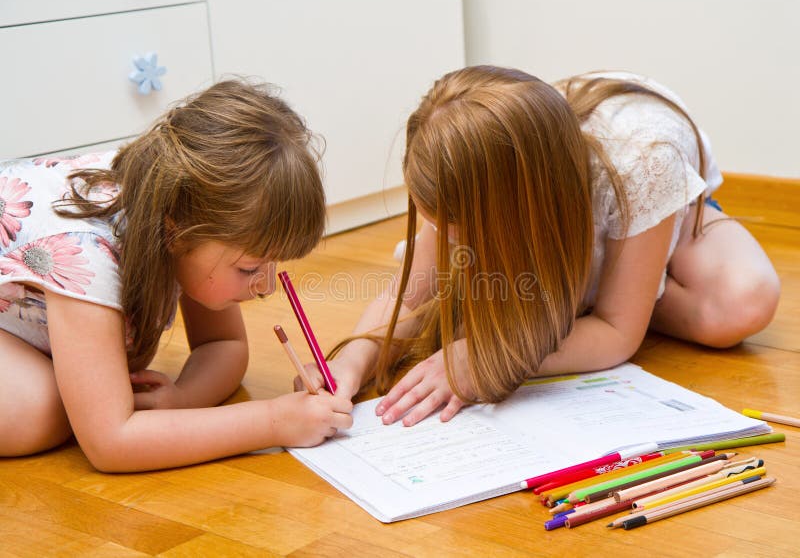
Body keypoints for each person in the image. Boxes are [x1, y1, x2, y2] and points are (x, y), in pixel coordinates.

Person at [309, 66, 780, 428]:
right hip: (550, 208)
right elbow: (412, 291)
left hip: (658, 200)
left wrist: (491, 358)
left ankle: (628, 280)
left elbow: (618, 332)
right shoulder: (462, 162)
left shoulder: (645, 161)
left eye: (460, 228)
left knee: (740, 303)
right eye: (439, 225)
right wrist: (353, 359)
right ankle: (616, 283)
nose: (448, 239)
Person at [0, 80, 353, 470]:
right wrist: (273, 423)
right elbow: (111, 443)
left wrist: (183, 399)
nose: (266, 286)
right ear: (176, 229)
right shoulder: (84, 254)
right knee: (39, 408)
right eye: (250, 268)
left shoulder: (182, 208)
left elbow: (223, 344)